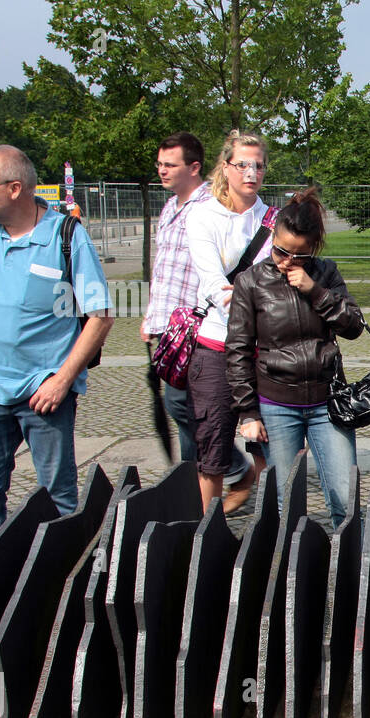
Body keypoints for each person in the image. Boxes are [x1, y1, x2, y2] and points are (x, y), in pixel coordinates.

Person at [0, 145, 113, 528]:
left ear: (14, 188)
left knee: (57, 495)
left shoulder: (66, 235)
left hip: (44, 392)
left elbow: (101, 316)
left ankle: (56, 575)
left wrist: (62, 381)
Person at [226, 189, 363, 524]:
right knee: (285, 501)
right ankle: (290, 569)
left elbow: (354, 326)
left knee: (345, 497)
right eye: (280, 250)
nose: (286, 261)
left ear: (313, 249)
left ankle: (353, 569)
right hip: (276, 403)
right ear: (272, 235)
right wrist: (247, 412)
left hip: (327, 402)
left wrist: (315, 292)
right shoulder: (251, 281)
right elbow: (238, 349)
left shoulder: (326, 273)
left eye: (298, 255)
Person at [140, 131, 251, 495]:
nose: (162, 171)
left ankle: (227, 467)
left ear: (194, 167)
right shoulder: (170, 207)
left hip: (200, 326)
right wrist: (152, 317)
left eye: (169, 165)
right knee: (185, 406)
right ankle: (196, 481)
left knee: (187, 406)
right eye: (159, 164)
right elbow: (166, 268)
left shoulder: (213, 206)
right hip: (171, 328)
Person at [185, 130, 275, 514]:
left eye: (258, 165)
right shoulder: (203, 215)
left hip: (267, 350)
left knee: (271, 445)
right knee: (213, 445)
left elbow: (281, 281)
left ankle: (274, 526)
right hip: (217, 348)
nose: (251, 173)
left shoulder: (273, 219)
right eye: (243, 165)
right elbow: (213, 285)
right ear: (226, 168)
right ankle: (208, 531)